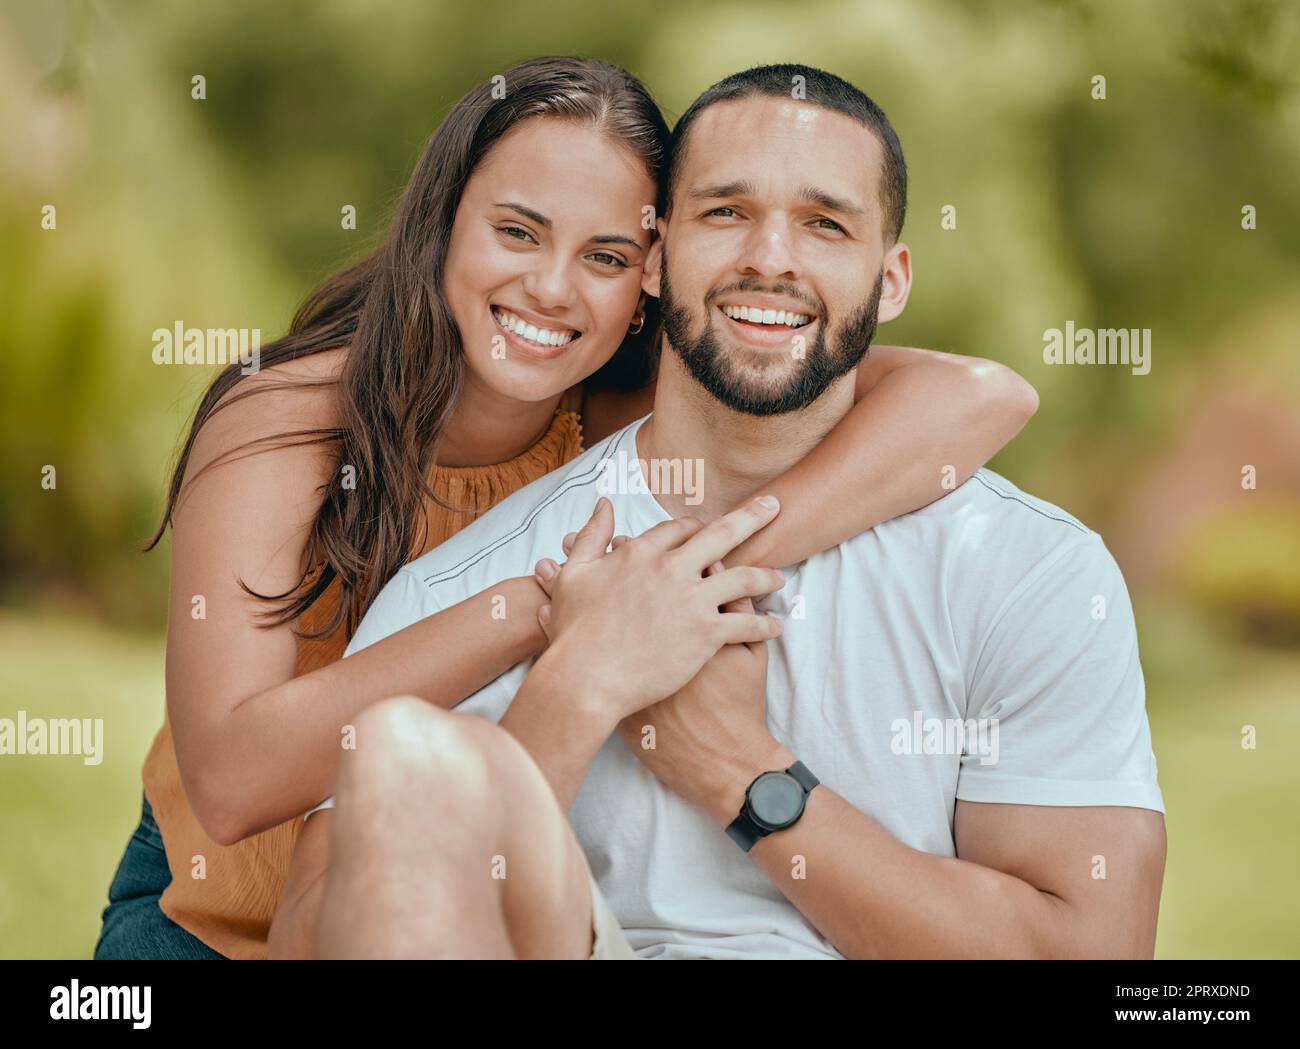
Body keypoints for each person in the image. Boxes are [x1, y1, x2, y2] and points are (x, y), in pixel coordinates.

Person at [94, 56, 1038, 960]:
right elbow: (229, 781)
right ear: (443, 226)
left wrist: (695, 566)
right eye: (517, 232)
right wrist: (555, 609)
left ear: (651, 278)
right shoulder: (293, 418)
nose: (551, 288)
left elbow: (984, 396)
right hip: (212, 920)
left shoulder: (611, 406)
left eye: (605, 255)